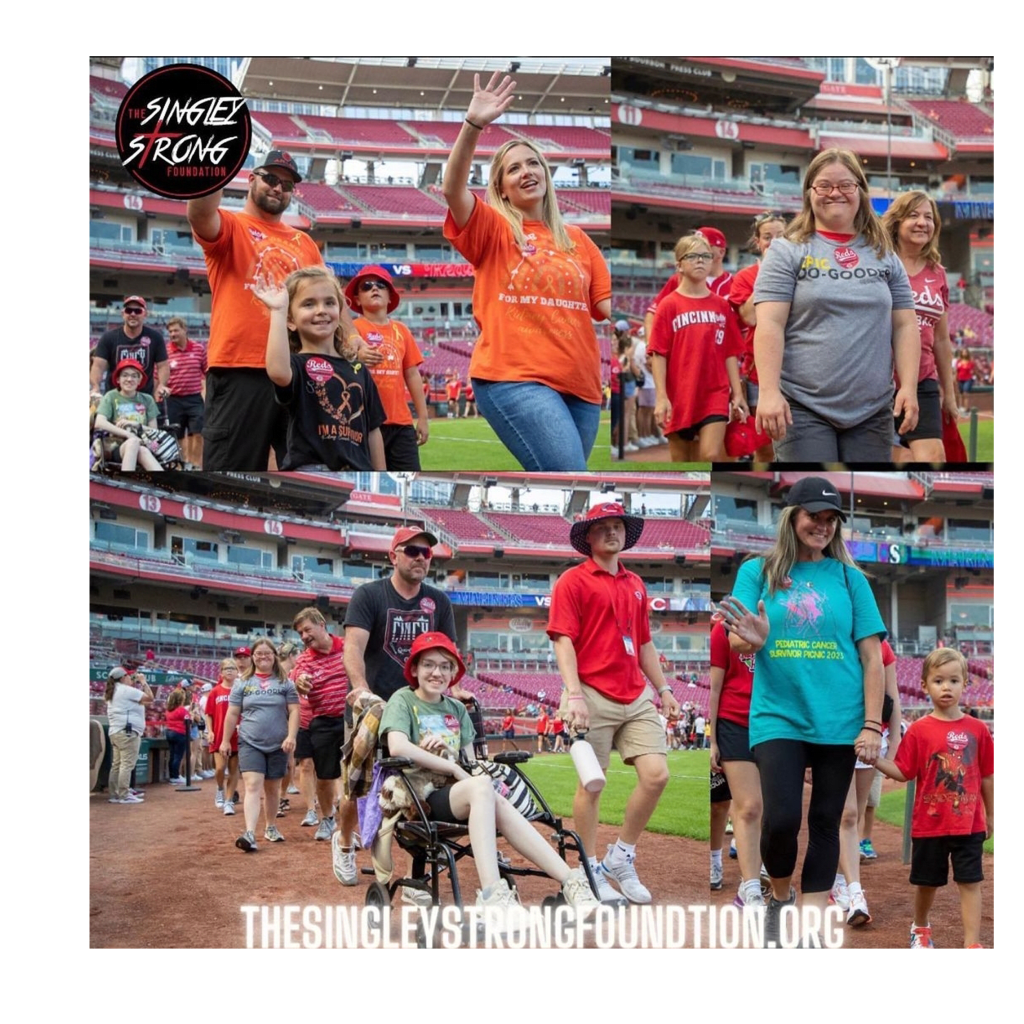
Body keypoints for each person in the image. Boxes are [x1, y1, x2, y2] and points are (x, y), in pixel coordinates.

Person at [718, 476, 886, 947]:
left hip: (840, 717)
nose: (824, 526)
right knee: (782, 820)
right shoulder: (758, 571)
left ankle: (810, 922)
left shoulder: (851, 580)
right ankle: (778, 893)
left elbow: (872, 657)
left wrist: (872, 724)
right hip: (779, 714)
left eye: (832, 519)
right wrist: (751, 639)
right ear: (792, 517)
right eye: (815, 516)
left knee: (827, 821)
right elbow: (738, 635)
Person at [442, 72, 612, 471]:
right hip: (514, 378)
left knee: (568, 477)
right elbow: (452, 190)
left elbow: (604, 308)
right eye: (514, 168)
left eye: (533, 163)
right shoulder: (494, 228)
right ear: (501, 187)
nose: (527, 171)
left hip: (582, 387)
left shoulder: (579, 240)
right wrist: (473, 125)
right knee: (572, 475)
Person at [379, 632, 601, 921]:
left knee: (488, 792)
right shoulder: (403, 700)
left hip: (458, 792)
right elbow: (396, 745)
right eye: (429, 665)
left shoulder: (457, 708)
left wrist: (450, 752)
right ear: (415, 669)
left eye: (445, 666)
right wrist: (451, 766)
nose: (438, 672)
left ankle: (571, 882)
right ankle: (493, 895)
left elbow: (470, 763)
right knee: (484, 789)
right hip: (420, 796)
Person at [187, 150, 364, 471]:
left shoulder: (303, 241)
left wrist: (352, 337)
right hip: (241, 369)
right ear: (251, 179)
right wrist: (212, 162)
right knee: (231, 470)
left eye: (287, 184)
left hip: (300, 371)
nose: (278, 188)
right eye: (270, 179)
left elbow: (332, 297)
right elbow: (200, 213)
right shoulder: (232, 224)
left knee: (307, 469)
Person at [548, 502, 680, 905]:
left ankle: (620, 857)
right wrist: (573, 694)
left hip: (634, 691)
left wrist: (664, 690)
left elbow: (643, 643)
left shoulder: (636, 584)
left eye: (618, 526)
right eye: (602, 527)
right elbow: (562, 639)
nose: (612, 532)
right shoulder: (572, 581)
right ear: (588, 537)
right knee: (592, 783)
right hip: (589, 691)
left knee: (657, 775)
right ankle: (589, 870)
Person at [753, 148, 920, 462]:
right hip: (803, 407)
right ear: (809, 193)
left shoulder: (885, 254)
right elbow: (770, 325)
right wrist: (768, 392)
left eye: (845, 185)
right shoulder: (786, 250)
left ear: (860, 191)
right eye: (824, 186)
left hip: (873, 411)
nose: (835, 193)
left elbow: (905, 325)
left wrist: (908, 386)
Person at [341, 525, 457, 872]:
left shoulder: (438, 601)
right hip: (376, 704)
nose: (421, 557)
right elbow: (353, 648)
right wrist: (360, 688)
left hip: (420, 710)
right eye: (412, 551)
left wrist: (454, 690)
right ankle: (345, 843)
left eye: (426, 552)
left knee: (430, 776)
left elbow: (448, 653)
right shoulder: (370, 595)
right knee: (357, 782)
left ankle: (427, 850)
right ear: (393, 556)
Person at [871, 647, 993, 948]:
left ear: (965, 683)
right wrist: (874, 758)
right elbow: (903, 771)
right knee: (926, 883)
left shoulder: (978, 729)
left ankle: (971, 944)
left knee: (970, 883)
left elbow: (988, 777)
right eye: (938, 681)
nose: (946, 687)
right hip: (930, 825)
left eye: (953, 680)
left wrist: (992, 816)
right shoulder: (919, 731)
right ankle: (921, 927)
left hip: (969, 825)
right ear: (924, 685)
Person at [256, 265, 386, 471]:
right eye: (309, 304)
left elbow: (373, 430)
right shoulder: (297, 365)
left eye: (329, 302)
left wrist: (381, 475)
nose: (321, 310)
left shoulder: (359, 369)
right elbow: (277, 371)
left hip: (359, 471)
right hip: (311, 469)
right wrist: (278, 312)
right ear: (291, 320)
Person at [649, 235, 748, 462]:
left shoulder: (721, 305)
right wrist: (662, 397)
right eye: (692, 256)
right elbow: (659, 354)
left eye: (705, 256)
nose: (701, 261)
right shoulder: (668, 305)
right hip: (680, 394)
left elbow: (730, 353)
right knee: (681, 461)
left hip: (715, 392)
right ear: (679, 265)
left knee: (710, 454)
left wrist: (738, 394)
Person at [879, 192, 958, 463]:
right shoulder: (878, 263)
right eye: (913, 215)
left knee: (933, 457)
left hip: (923, 380)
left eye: (928, 217)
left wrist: (948, 393)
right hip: (876, 379)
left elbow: (941, 339)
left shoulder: (938, 273)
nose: (922, 222)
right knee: (902, 460)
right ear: (897, 222)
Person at [832, 638, 901, 927]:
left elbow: (892, 697)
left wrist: (894, 743)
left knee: (857, 813)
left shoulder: (881, 647)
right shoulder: (834, 637)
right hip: (837, 733)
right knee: (846, 814)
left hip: (872, 739)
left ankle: (840, 880)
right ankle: (853, 890)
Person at [344, 266, 430, 470]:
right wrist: (356, 357)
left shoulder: (402, 330)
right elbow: (341, 367)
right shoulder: (352, 330)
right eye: (367, 286)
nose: (374, 289)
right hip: (363, 422)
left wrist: (423, 418)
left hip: (401, 423)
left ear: (390, 296)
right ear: (356, 299)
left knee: (409, 477)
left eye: (381, 285)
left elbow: (412, 374)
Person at [220, 638, 300, 852]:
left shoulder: (285, 683)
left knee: (272, 788)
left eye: (267, 653)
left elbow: (294, 711)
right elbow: (232, 713)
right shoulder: (242, 683)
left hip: (278, 743)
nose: (263, 656)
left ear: (274, 656)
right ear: (253, 658)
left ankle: (271, 826)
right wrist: (226, 740)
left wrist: (291, 736)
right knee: (252, 785)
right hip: (250, 741)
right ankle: (249, 832)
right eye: (258, 654)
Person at [728, 212, 787, 463]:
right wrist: (768, 275)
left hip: (800, 371)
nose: (773, 242)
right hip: (758, 372)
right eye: (767, 237)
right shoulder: (746, 277)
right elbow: (749, 317)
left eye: (781, 237)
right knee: (764, 446)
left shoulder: (804, 271)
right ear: (758, 242)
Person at [290, 607, 349, 847]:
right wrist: (301, 682)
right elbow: (300, 678)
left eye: (307, 629)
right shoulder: (304, 658)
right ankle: (327, 818)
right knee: (325, 777)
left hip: (352, 719)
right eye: (300, 633)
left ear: (322, 624)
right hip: (323, 722)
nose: (303, 636)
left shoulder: (347, 646)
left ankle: (359, 823)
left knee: (358, 775)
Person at [90, 295, 169, 402]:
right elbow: (98, 366)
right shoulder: (109, 337)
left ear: (145, 314)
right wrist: (95, 387)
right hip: (114, 398)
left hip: (144, 398)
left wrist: (161, 385)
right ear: (123, 314)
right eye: (129, 310)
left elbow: (163, 366)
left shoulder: (155, 337)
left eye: (137, 311)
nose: (133, 314)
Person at [93, 359, 164, 472]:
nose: (129, 379)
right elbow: (99, 422)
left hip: (144, 445)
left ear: (139, 380)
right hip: (116, 446)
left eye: (134, 376)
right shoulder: (111, 396)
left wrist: (136, 425)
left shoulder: (147, 399)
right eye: (125, 375)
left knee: (141, 450)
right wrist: (128, 435)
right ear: (118, 379)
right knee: (133, 443)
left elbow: (153, 430)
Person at [105, 667, 154, 803]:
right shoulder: (125, 690)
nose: (129, 678)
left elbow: (142, 701)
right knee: (126, 764)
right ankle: (124, 794)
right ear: (122, 678)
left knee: (117, 764)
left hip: (116, 731)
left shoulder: (114, 690)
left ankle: (115, 793)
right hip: (127, 732)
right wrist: (143, 682)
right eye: (127, 676)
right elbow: (150, 698)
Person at [164, 317, 208, 468]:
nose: (172, 334)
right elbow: (158, 376)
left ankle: (196, 464)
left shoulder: (199, 349)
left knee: (198, 433)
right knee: (176, 434)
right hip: (173, 400)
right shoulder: (165, 351)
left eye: (176, 330)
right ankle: (180, 464)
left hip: (194, 399)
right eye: (170, 332)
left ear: (184, 330)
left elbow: (207, 371)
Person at [204, 658, 241, 814]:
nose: (230, 670)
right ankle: (220, 788)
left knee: (234, 770)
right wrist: (210, 731)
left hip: (238, 735)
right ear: (221, 672)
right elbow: (208, 713)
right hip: (219, 735)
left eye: (232, 668)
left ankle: (229, 800)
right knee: (220, 768)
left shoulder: (240, 689)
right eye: (227, 668)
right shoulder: (215, 691)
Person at [164, 688, 191, 785]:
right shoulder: (182, 710)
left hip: (169, 732)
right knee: (177, 756)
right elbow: (189, 720)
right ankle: (175, 776)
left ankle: (172, 776)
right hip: (179, 733)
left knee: (172, 755)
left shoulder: (169, 710)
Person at [955, 348, 976, 416]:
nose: (964, 353)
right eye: (963, 352)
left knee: (965, 393)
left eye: (965, 352)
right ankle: (961, 408)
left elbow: (974, 371)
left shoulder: (970, 362)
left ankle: (966, 408)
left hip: (968, 379)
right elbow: (957, 371)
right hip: (960, 379)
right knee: (960, 393)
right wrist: (955, 378)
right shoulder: (959, 362)